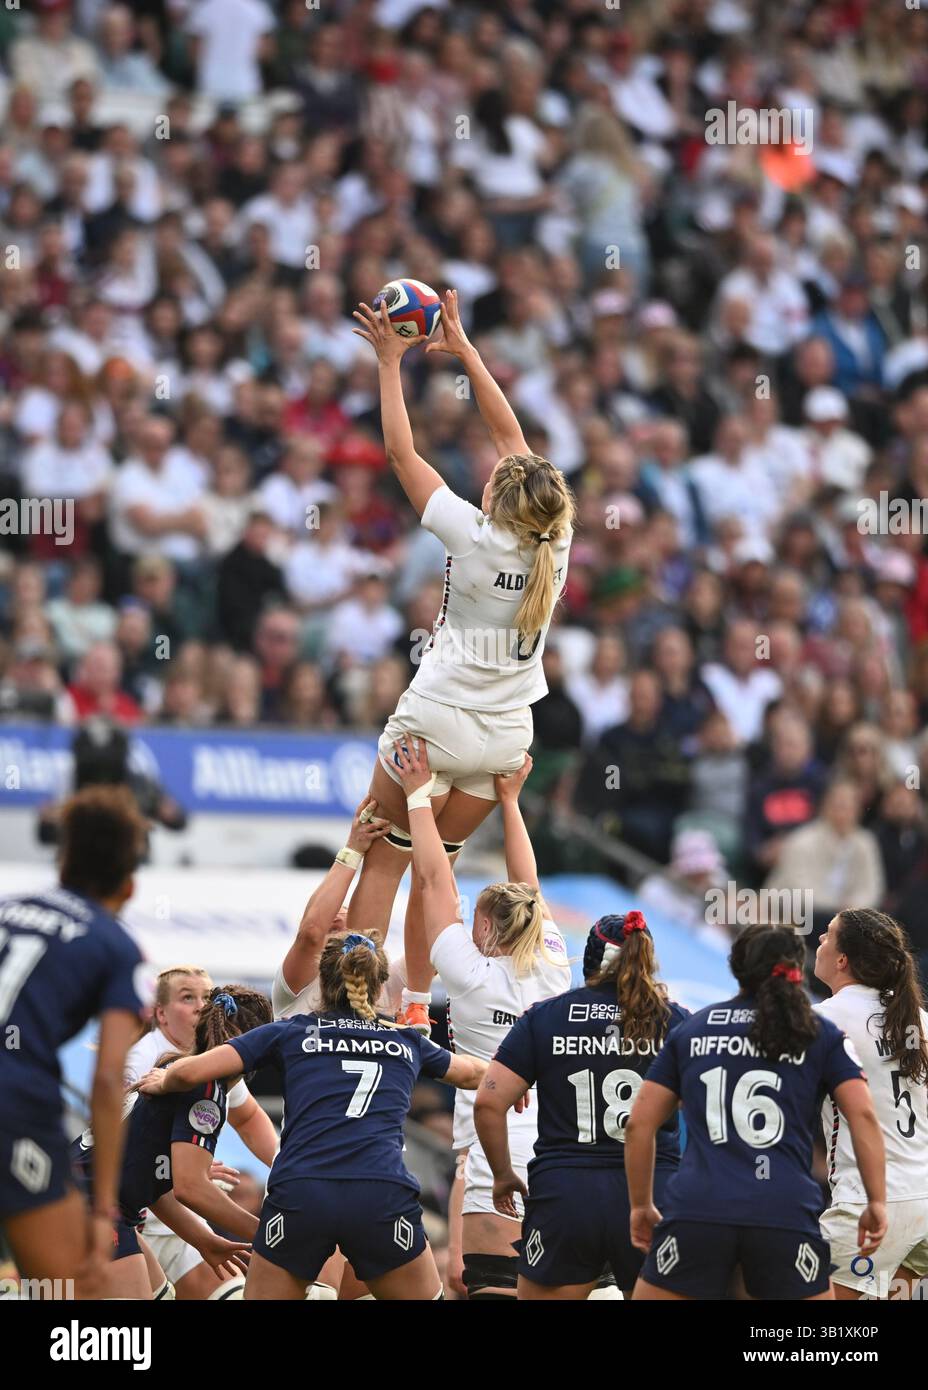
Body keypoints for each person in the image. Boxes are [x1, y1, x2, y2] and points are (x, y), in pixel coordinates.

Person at [348, 289, 575, 1032]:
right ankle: (414, 1010)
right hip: (505, 736)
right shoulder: (556, 540)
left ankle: (352, 1006)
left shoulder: (473, 537)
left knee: (383, 857)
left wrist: (392, 361)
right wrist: (467, 350)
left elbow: (400, 454)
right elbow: (515, 441)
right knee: (433, 869)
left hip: (439, 717)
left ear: (497, 497)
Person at [140, 932, 487, 1300]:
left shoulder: (291, 1032)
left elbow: (191, 1072)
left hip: (303, 1194)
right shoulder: (407, 1041)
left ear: (322, 982)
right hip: (380, 1194)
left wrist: (165, 1079)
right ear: (380, 985)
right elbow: (473, 1073)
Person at [624, 924, 887, 1301]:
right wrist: (876, 1200)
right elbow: (862, 1116)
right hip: (784, 1211)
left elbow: (639, 1125)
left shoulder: (693, 1028)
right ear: (797, 966)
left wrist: (640, 1205)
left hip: (699, 1209)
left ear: (736, 967)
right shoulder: (820, 1033)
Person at [394, 740, 571, 1300]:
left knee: (484, 1290)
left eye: (475, 923)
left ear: (489, 933)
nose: (467, 929)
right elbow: (531, 884)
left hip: (495, 1159)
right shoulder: (552, 962)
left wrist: (418, 795)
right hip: (561, 1154)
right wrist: (509, 799)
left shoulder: (470, 973)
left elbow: (430, 881)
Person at [476, 910, 689, 1299]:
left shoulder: (545, 1016)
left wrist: (503, 1172)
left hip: (566, 1194)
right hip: (655, 1191)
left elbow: (488, 1103)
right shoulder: (676, 1021)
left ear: (590, 957)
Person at [0, 786, 152, 1297]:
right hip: (14, 1108)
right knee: (74, 1289)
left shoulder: (8, 907)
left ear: (62, 859)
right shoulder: (114, 944)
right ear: (128, 886)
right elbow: (108, 1080)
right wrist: (103, 1205)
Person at [75, 985, 272, 1299]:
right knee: (123, 1345)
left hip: (90, 1198)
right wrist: (275, 1237)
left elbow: (152, 1187)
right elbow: (191, 1188)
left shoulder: (176, 1068)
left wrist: (202, 1239)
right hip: (88, 1204)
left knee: (161, 1295)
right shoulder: (207, 1091)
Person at [814, 908, 928, 1300]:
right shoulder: (921, 1021)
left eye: (828, 935)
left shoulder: (823, 1019)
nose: (819, 941)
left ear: (843, 959)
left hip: (870, 1202)